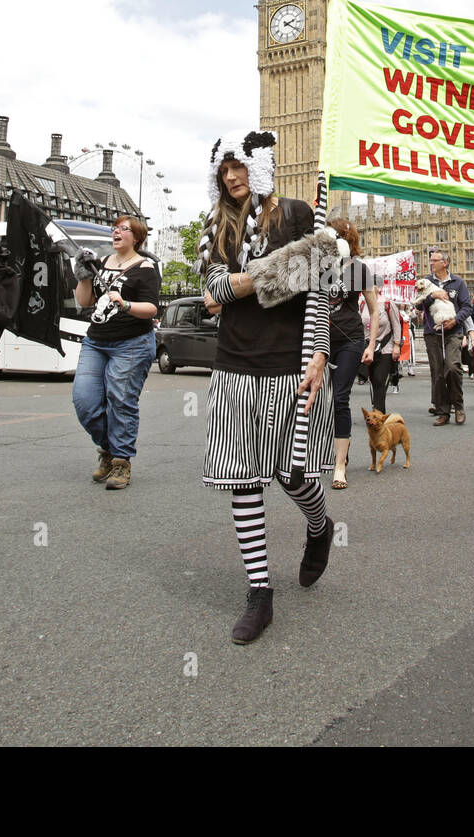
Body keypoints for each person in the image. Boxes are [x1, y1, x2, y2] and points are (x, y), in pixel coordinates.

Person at [198, 129, 334, 644]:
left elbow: (323, 285)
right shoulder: (216, 227)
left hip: (289, 361)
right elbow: (210, 290)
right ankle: (260, 592)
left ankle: (318, 524)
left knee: (291, 471)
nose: (232, 177)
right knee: (242, 477)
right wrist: (276, 272)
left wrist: (321, 349)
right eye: (223, 171)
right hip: (234, 361)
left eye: (238, 167)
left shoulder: (298, 213)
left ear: (258, 168)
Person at [71, 215, 160, 491]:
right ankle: (109, 448)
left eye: (124, 229)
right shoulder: (100, 263)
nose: (116, 232)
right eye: (116, 228)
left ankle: (121, 461)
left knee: (120, 399)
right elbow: (84, 301)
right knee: (84, 400)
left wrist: (125, 304)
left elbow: (152, 309)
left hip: (132, 343)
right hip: (96, 341)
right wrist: (83, 275)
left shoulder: (146, 268)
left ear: (137, 237)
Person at [325, 217, 379, 490]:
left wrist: (370, 345)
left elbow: (374, 308)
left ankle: (340, 465)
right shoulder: (316, 266)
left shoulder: (358, 269)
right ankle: (328, 452)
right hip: (320, 340)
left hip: (350, 340)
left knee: (339, 398)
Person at [416, 248, 472, 425]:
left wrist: (455, 321)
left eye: (435, 260)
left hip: (453, 332)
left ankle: (459, 405)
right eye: (430, 260)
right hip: (432, 333)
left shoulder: (458, 283)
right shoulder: (425, 282)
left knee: (453, 367)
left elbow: (467, 307)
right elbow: (419, 306)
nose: (431, 263)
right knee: (438, 373)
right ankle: (443, 411)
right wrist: (433, 295)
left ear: (445, 263)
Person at [364, 294, 403, 412]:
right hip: (369, 347)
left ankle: (379, 411)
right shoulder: (362, 304)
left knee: (380, 379)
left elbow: (396, 325)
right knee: (373, 379)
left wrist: (396, 345)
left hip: (386, 346)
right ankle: (376, 406)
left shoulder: (387, 304)